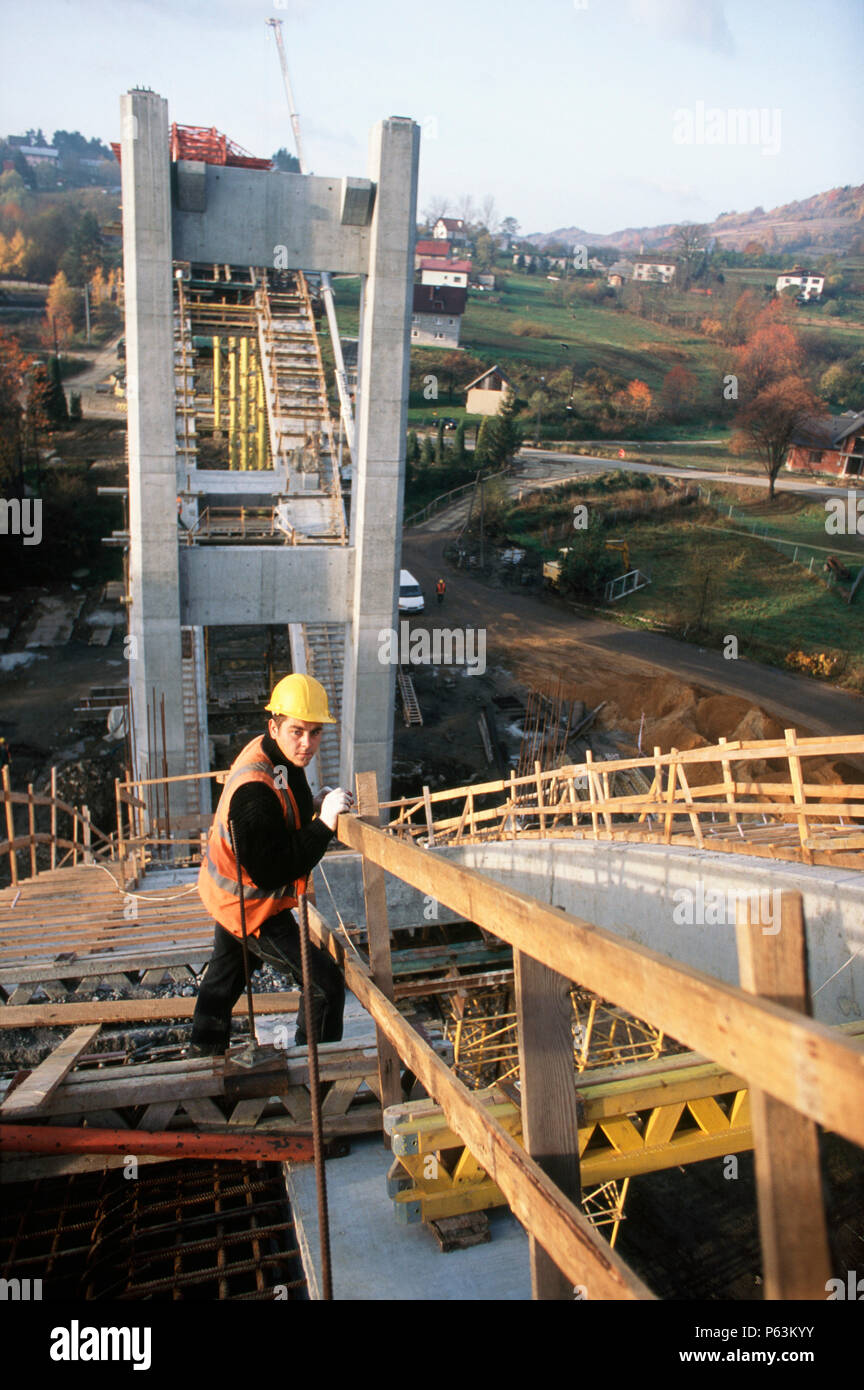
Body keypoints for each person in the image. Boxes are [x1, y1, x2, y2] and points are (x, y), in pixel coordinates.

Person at [191, 673, 353, 1056]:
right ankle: (316, 1076)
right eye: (298, 731)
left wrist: (312, 804)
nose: (307, 744)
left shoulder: (274, 754)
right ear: (274, 725)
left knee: (223, 983)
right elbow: (270, 870)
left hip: (228, 894)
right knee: (325, 985)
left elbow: (284, 805)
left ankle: (202, 1055)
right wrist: (325, 825)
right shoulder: (254, 790)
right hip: (252, 905)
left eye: (315, 733)